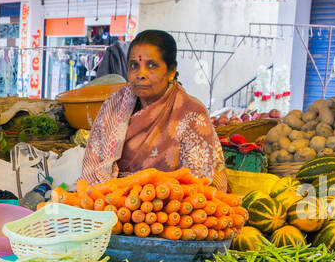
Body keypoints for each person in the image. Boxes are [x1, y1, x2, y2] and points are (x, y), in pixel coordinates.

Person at [80, 29, 227, 190]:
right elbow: (92, 169)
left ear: (171, 71)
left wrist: (149, 194)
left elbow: (198, 183)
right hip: (112, 201)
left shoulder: (191, 113)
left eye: (151, 66)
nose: (140, 74)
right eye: (134, 65)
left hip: (171, 206)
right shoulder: (112, 107)